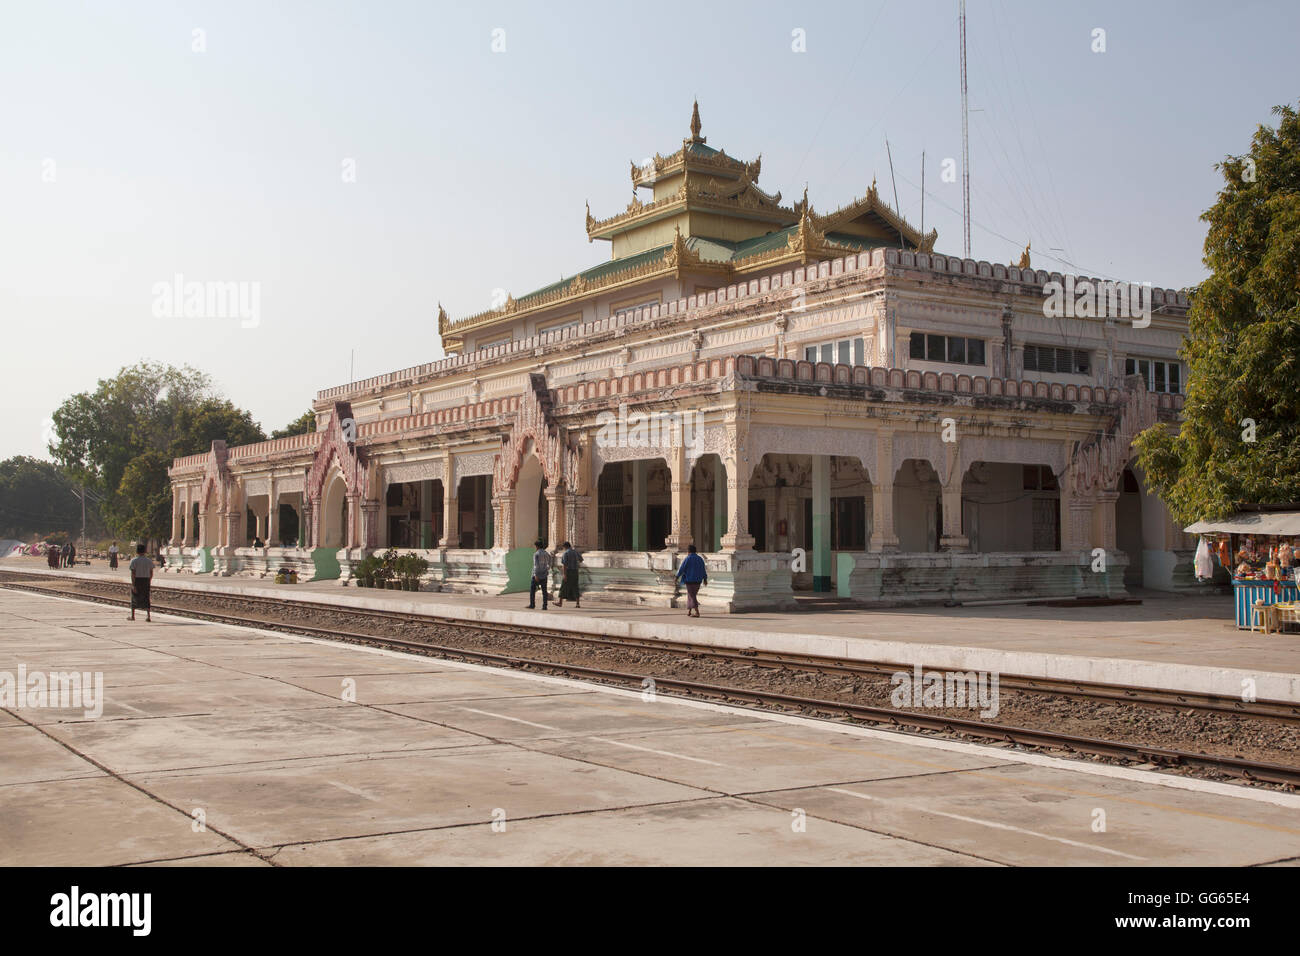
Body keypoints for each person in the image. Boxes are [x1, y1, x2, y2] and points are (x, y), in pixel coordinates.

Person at [675, 543, 708, 617]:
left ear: (689, 551)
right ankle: (689, 611)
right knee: (692, 595)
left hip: (689, 580)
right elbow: (703, 570)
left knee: (692, 596)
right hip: (698, 580)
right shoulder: (700, 559)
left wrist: (677, 577)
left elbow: (682, 569)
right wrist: (705, 579)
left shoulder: (688, 558)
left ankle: (697, 612)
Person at [128, 544, 154, 622]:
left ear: (137, 551)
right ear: (145, 551)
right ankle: (148, 616)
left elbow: (133, 573)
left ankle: (133, 616)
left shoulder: (134, 560)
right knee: (146, 598)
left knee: (134, 598)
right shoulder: (149, 561)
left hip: (137, 580)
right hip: (146, 580)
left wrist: (133, 584)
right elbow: (151, 572)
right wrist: (149, 581)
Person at [555, 541, 582, 608]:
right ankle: (578, 603)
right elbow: (581, 560)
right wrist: (575, 563)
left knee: (563, 587)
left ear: (565, 547)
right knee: (575, 587)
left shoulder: (566, 553)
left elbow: (564, 565)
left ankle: (560, 602)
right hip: (575, 571)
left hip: (568, 571)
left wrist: (564, 574)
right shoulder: (576, 552)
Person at [527, 539, 552, 610]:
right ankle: (545, 606)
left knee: (532, 590)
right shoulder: (547, 553)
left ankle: (532, 604)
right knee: (544, 591)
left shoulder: (536, 554)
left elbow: (536, 565)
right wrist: (546, 569)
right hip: (544, 574)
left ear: (537, 546)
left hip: (537, 575)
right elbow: (550, 563)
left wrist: (536, 575)